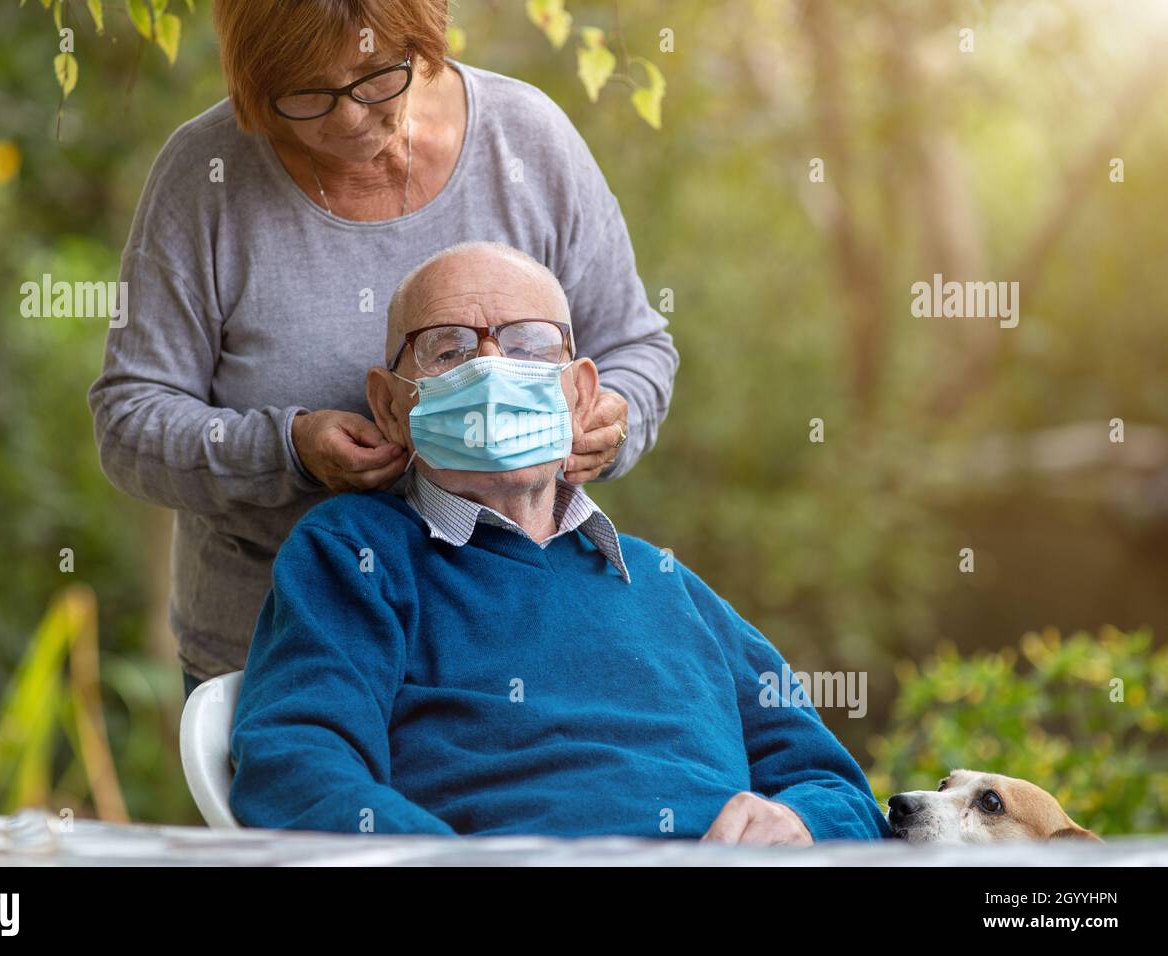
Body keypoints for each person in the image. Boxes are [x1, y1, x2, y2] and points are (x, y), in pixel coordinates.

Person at [87, 0, 678, 695]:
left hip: (519, 647)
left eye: (373, 78)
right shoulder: (205, 177)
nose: (346, 117)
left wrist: (616, 419)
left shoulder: (527, 141)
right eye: (304, 91)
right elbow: (129, 424)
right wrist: (287, 449)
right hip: (281, 655)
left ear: (420, 40)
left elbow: (636, 346)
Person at [229, 242, 888, 843]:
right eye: (449, 349)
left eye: (528, 345)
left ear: (580, 395)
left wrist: (798, 820)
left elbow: (841, 792)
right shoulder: (355, 554)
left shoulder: (666, 583)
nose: (491, 367)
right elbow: (296, 764)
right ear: (391, 405)